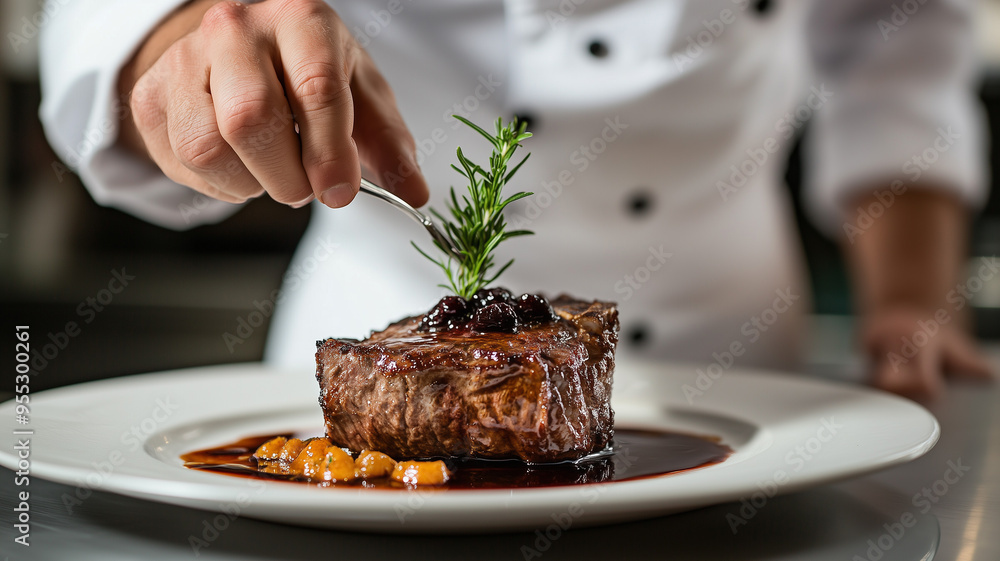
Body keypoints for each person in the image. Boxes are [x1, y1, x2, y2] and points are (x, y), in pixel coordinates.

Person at [40, 0, 994, 398]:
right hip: (372, 353)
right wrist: (185, 45)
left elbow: (897, 44)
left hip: (742, 371)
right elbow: (119, 17)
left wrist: (911, 295)